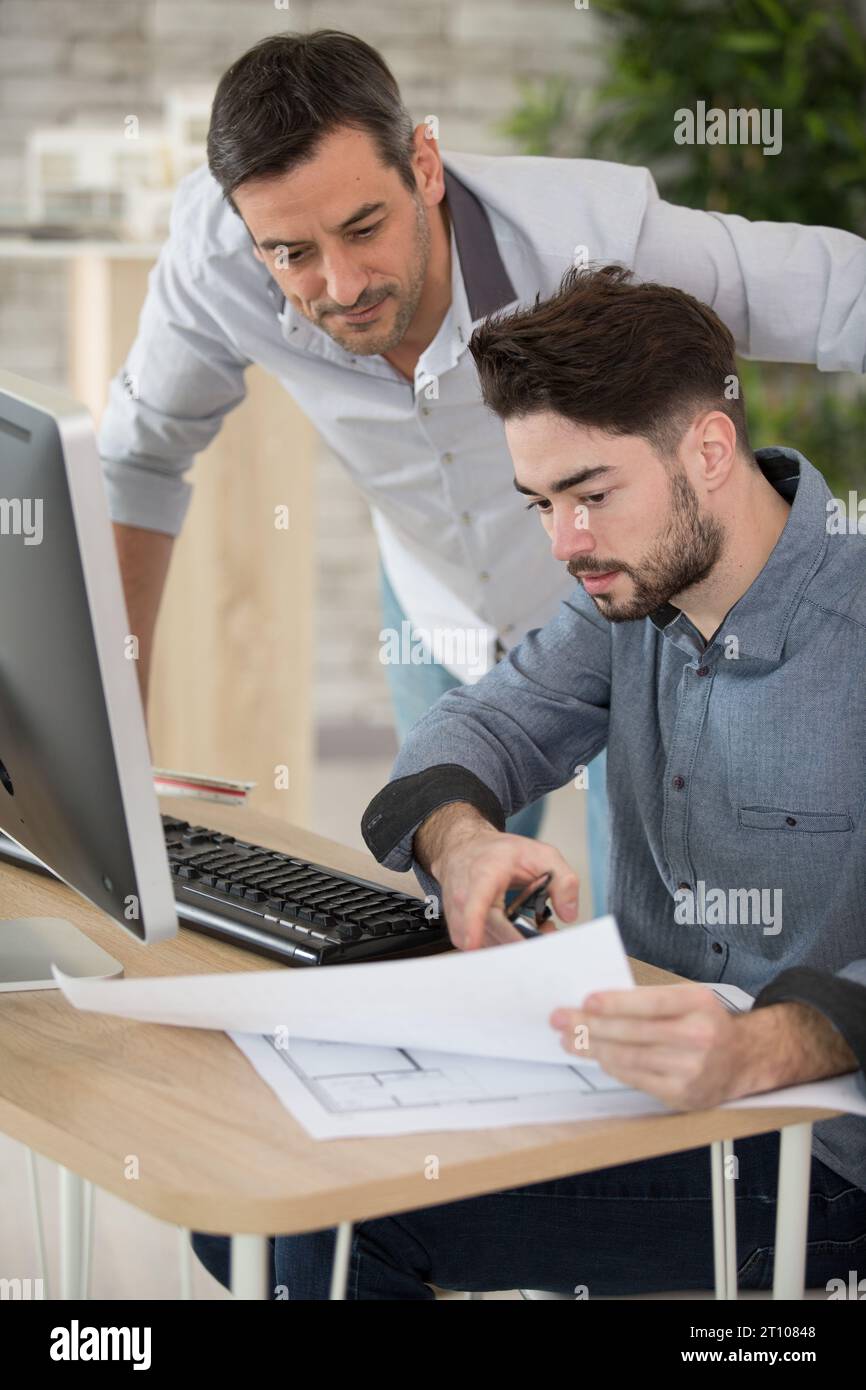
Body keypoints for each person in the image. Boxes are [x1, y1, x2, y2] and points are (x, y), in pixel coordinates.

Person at [193, 266, 865, 1298]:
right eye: (540, 504)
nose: (563, 545)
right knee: (236, 1178)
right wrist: (463, 844)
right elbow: (472, 725)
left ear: (709, 449)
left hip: (817, 1151)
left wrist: (769, 1044)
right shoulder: (629, 600)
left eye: (590, 495)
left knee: (321, 1223)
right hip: (632, 1095)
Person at [102, 29, 866, 920]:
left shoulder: (588, 242)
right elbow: (137, 462)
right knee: (453, 884)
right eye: (292, 254)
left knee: (655, 921)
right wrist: (112, 751)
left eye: (364, 227)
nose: (342, 285)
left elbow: (838, 294)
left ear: (424, 162)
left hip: (627, 608)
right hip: (433, 604)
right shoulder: (214, 267)